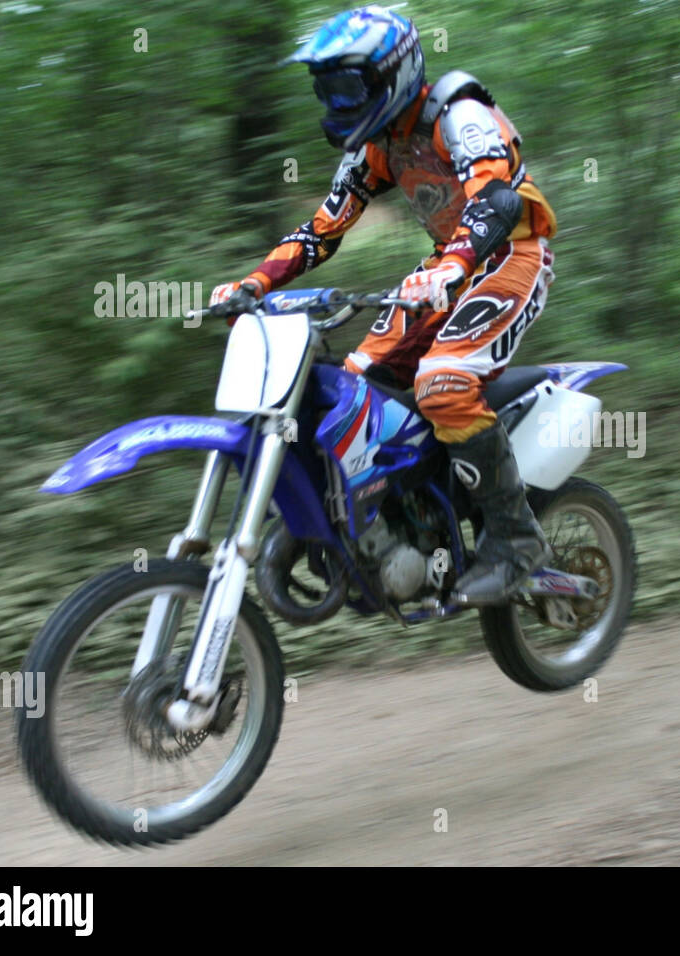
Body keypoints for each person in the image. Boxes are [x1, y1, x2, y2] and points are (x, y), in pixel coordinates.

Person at [210, 4, 558, 605]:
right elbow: (323, 229)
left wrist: (451, 266)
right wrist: (253, 285)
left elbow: (498, 200)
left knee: (444, 382)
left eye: (347, 86)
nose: (336, 102)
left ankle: (517, 543)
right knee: (346, 390)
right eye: (327, 89)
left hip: (511, 256)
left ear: (391, 74)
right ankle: (386, 518)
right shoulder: (376, 144)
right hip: (446, 267)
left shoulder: (460, 114)